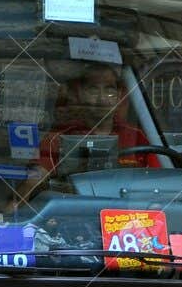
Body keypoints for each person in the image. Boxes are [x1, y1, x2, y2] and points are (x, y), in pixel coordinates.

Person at [13, 64, 157, 207]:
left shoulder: (136, 137)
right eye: (93, 90)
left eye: (109, 90)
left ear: (119, 95)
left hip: (129, 218)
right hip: (74, 215)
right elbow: (33, 181)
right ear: (80, 93)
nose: (102, 99)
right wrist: (14, 208)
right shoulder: (57, 139)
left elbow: (159, 181)